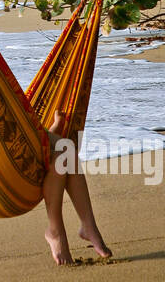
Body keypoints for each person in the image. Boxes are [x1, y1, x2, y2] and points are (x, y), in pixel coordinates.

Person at [42, 109, 112, 266]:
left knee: (68, 150)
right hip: (2, 149)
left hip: (22, 130)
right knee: (61, 158)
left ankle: (88, 226)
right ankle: (55, 230)